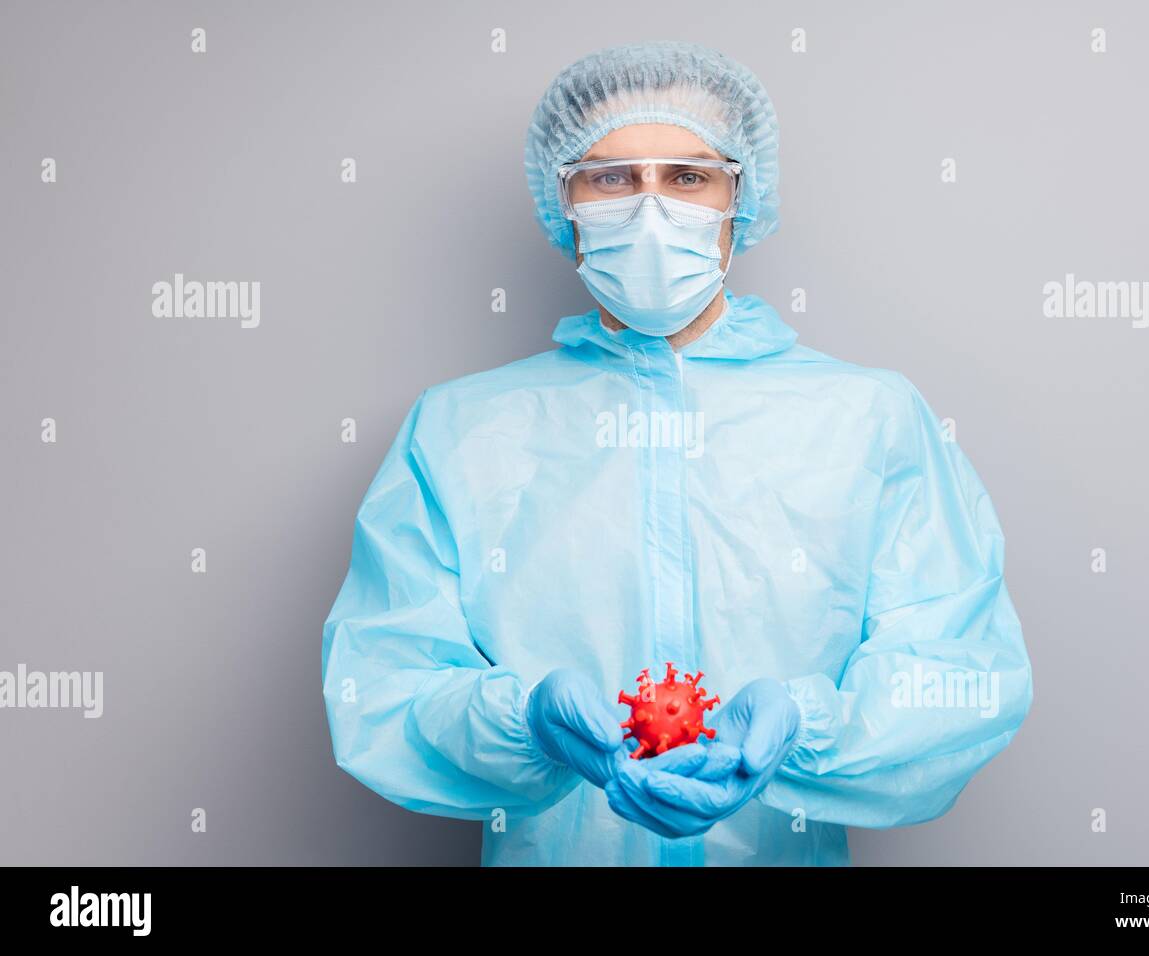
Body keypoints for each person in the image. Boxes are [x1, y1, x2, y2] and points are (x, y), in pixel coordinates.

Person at [321, 40, 1032, 866]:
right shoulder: (459, 431)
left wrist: (803, 727)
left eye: (687, 177)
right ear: (563, 202)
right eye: (611, 178)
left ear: (742, 194)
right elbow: (379, 687)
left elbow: (962, 672)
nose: (650, 209)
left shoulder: (867, 418)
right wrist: (525, 724)